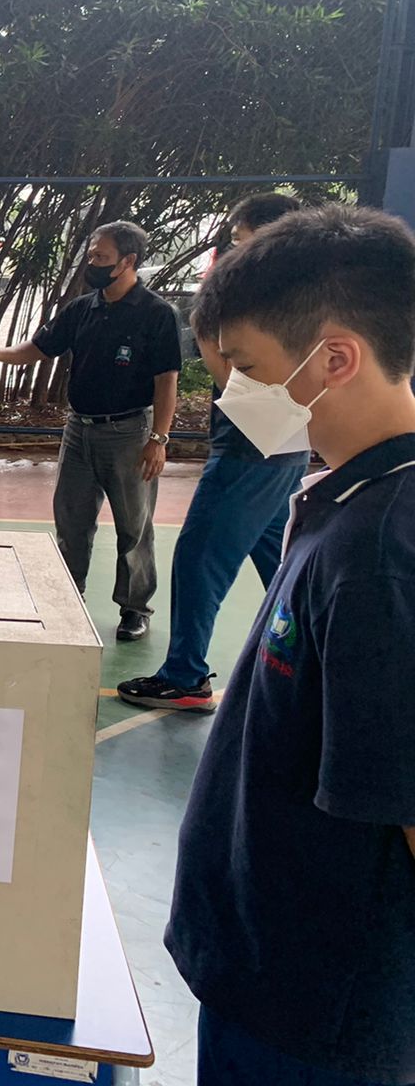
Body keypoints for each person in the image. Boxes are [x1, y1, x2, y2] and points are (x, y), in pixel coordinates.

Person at [163, 204, 415, 1086]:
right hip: (264, 974)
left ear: (334, 358)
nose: (232, 392)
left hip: (319, 1019)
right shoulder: (341, 497)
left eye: (249, 368)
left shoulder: (383, 552)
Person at [118, 193, 308, 711]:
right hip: (281, 442)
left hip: (255, 443)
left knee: (201, 555)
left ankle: (185, 674)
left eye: (241, 237)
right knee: (282, 556)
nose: (233, 246)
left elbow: (235, 375)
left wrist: (214, 343)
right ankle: (307, 660)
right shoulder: (300, 291)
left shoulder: (264, 293)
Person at [0, 221, 180, 642]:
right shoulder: (83, 309)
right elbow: (40, 347)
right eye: (91, 256)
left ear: (129, 261)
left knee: (133, 526)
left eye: (101, 258)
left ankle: (134, 608)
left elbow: (166, 381)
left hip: (129, 434)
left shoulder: (157, 315)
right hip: (78, 431)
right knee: (72, 519)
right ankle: (69, 594)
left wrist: (159, 439)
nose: (93, 264)